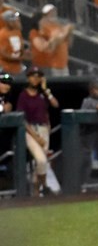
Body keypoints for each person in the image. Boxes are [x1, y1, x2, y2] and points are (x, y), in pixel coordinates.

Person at [15, 67, 60, 196]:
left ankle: (36, 192)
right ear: (28, 78)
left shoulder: (42, 94)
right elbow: (22, 118)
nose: (35, 78)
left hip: (44, 128)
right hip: (30, 130)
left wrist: (46, 89)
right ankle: (45, 187)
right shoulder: (23, 95)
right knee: (41, 160)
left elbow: (55, 104)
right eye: (33, 76)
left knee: (40, 164)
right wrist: (35, 136)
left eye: (38, 76)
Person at [0, 10, 25, 75]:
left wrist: (23, 54)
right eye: (12, 21)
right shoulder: (2, 34)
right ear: (7, 22)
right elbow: (3, 54)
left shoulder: (17, 32)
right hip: (6, 68)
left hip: (18, 68)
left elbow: (21, 47)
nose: (14, 22)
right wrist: (18, 58)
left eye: (14, 20)